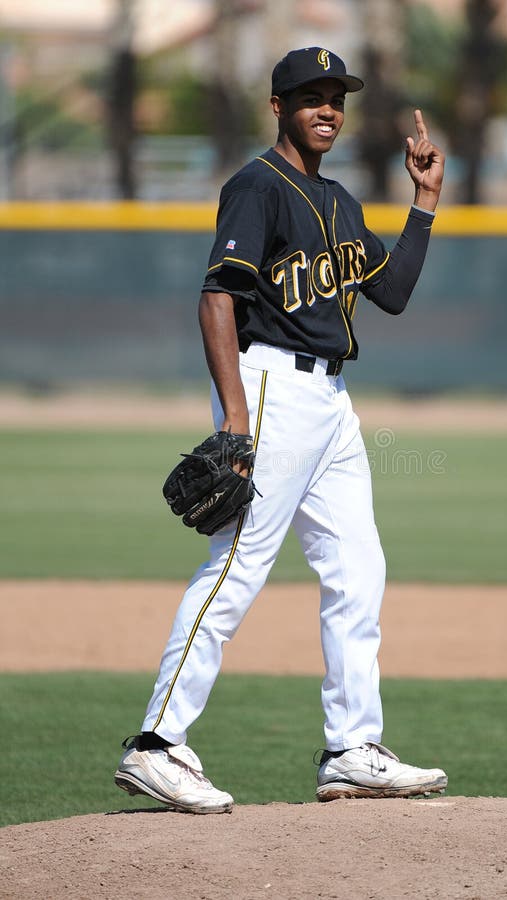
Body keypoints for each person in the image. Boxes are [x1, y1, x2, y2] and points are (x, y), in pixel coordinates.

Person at [114, 46, 447, 814]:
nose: (326, 109)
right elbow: (216, 298)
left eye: (336, 97)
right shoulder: (256, 187)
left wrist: (424, 202)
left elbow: (392, 292)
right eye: (309, 96)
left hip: (330, 403)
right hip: (268, 387)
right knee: (237, 566)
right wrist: (236, 420)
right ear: (278, 106)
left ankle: (351, 747)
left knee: (357, 568)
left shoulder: (339, 202)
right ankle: (157, 744)